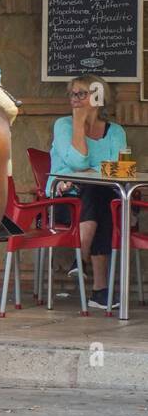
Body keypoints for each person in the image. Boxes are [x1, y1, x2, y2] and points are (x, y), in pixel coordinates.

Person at [51, 74, 127, 310]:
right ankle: (100, 291)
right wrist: (77, 124)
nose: (75, 99)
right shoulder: (63, 125)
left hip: (100, 195)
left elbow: (116, 168)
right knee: (100, 194)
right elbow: (76, 162)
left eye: (82, 94)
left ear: (98, 97)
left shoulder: (115, 132)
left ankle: (80, 257)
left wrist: (89, 173)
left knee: (98, 191)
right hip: (64, 200)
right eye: (72, 94)